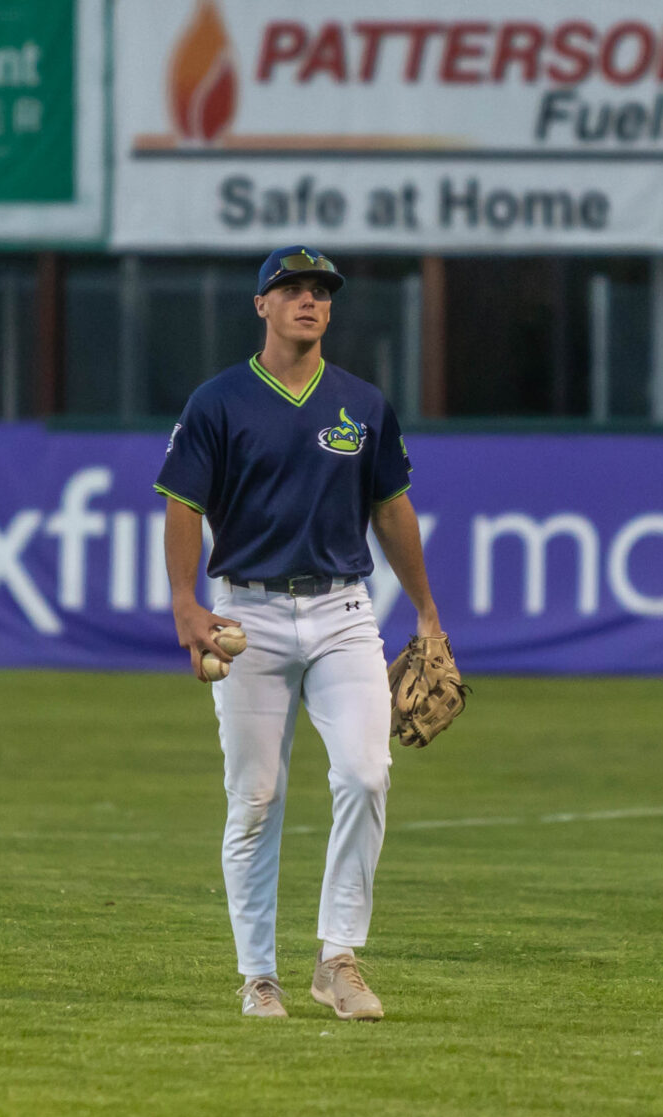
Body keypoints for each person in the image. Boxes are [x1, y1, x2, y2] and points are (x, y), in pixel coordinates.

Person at [154, 244, 443, 1020]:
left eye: (320, 290)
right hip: (246, 617)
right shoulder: (218, 401)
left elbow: (392, 510)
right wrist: (185, 602)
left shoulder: (362, 404)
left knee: (367, 773)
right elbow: (182, 504)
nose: (309, 300)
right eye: (291, 289)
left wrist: (426, 612)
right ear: (262, 305)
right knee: (255, 797)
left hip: (344, 611)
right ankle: (259, 976)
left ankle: (337, 958)